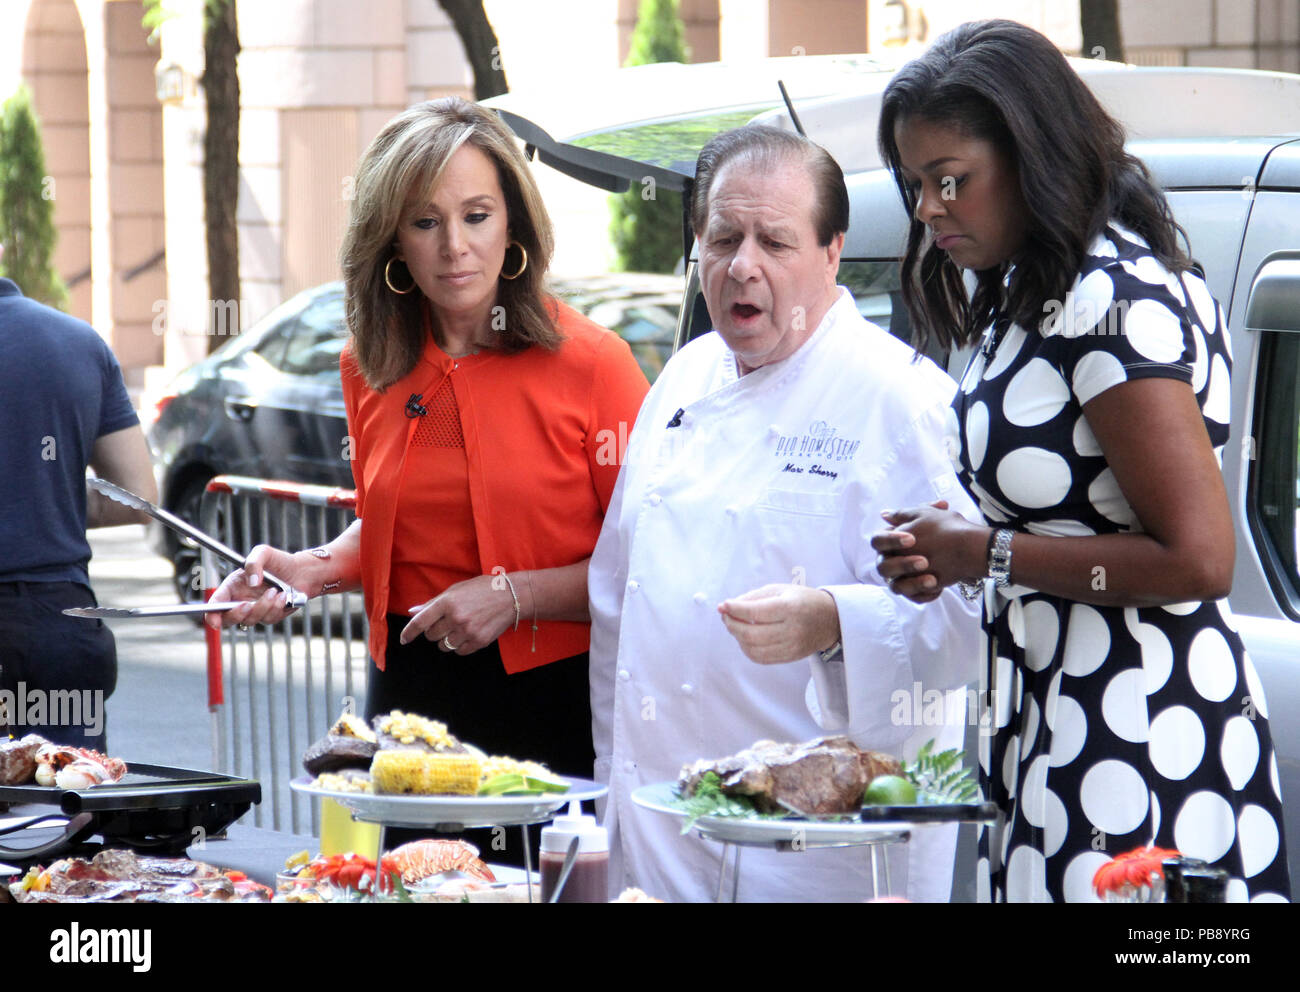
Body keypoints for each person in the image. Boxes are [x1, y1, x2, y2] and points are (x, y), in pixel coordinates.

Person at [868, 19, 1289, 902]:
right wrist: (957, 554)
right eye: (915, 184)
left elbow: (1201, 559)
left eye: (951, 180)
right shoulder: (1030, 293)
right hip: (1052, 720)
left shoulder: (1109, 294)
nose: (928, 208)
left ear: (1031, 156)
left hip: (1139, 735)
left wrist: (984, 554)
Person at [209, 99, 649, 859]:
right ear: (391, 240)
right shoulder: (368, 364)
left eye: (476, 215)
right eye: (425, 222)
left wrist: (514, 596)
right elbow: (401, 525)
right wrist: (307, 571)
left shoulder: (594, 364)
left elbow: (649, 563)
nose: (455, 247)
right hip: (410, 704)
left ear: (513, 223)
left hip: (553, 702)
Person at [588, 124, 982, 902]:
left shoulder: (901, 398)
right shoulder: (683, 379)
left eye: (775, 241)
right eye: (723, 237)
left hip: (813, 859)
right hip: (654, 822)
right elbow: (618, 600)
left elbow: (971, 627)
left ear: (832, 253)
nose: (743, 265)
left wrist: (837, 619)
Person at [0, 243, 156, 751]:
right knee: (67, 810)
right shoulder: (78, 342)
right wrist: (46, 497)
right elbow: (137, 496)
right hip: (58, 628)